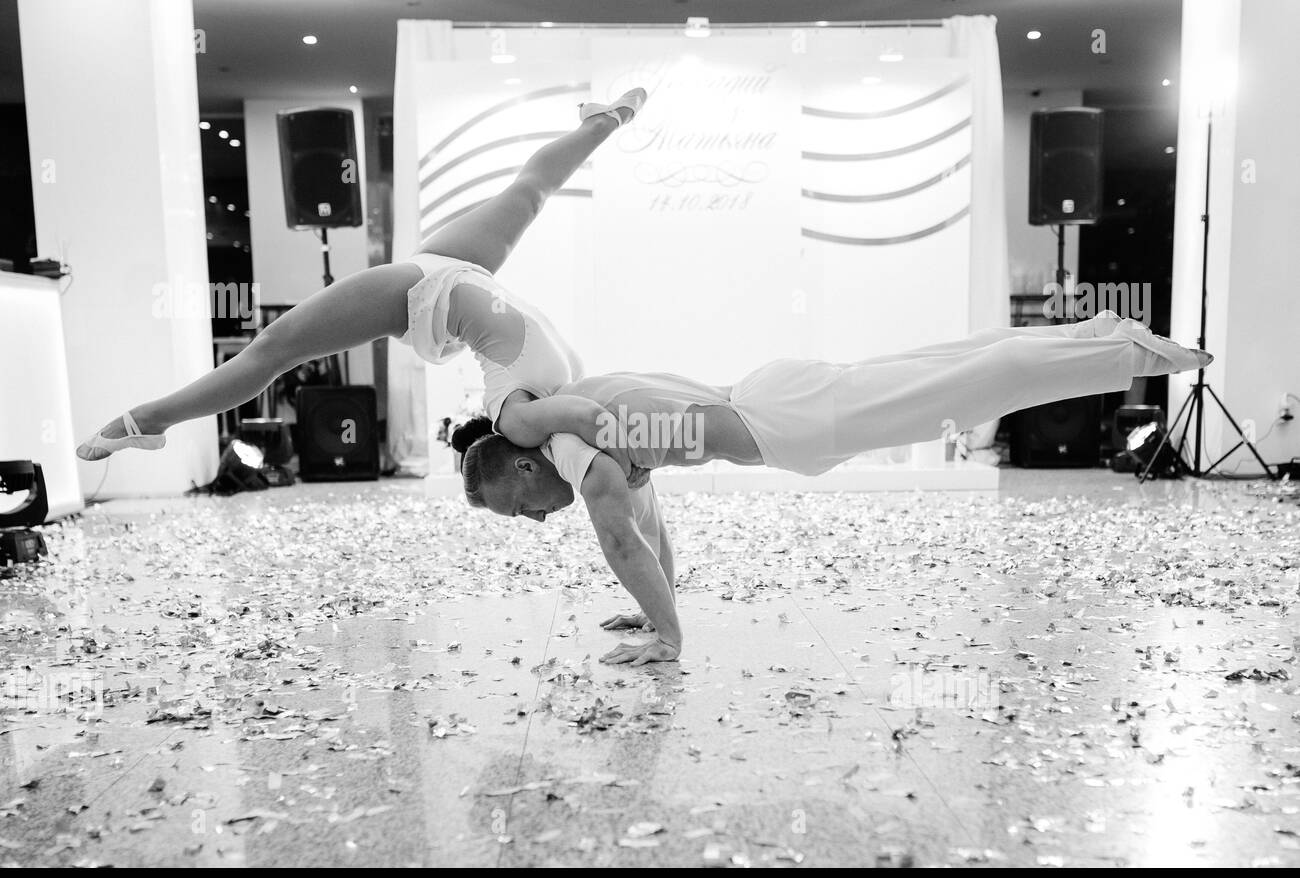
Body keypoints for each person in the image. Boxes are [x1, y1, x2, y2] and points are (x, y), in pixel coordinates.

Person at [452, 312, 1212, 665]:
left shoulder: (577, 452)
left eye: (524, 509)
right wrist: (661, 611)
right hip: (776, 395)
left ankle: (1120, 353)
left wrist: (669, 638)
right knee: (933, 364)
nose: (539, 521)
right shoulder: (585, 432)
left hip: (789, 424)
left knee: (956, 390)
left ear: (523, 467)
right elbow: (653, 531)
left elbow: (622, 538)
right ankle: (1090, 334)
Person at [76, 89, 650, 464]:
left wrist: (626, 454)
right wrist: (629, 455)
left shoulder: (547, 398)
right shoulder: (546, 404)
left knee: (273, 349)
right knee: (529, 192)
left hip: (432, 291)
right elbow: (585, 421)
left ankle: (148, 419)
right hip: (446, 282)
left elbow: (588, 418)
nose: (540, 512)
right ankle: (603, 120)